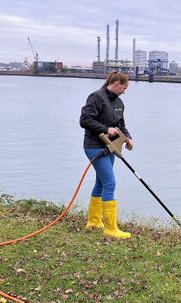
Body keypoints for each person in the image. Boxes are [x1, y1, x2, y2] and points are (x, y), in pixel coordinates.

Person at [79, 71, 134, 239]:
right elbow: (84, 120)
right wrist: (105, 129)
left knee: (101, 183)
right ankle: (110, 228)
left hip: (111, 147)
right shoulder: (96, 97)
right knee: (110, 183)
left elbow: (121, 125)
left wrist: (128, 138)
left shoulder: (119, 103)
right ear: (117, 84)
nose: (124, 91)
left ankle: (94, 221)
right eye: (124, 88)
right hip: (95, 147)